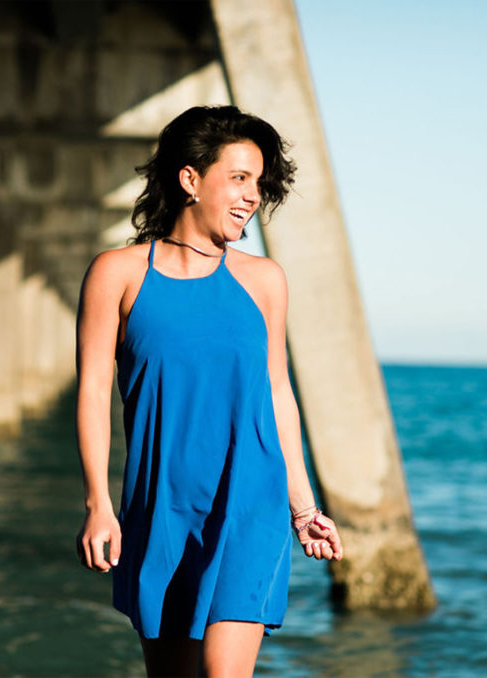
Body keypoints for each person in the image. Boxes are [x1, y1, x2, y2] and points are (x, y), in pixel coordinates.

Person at [72, 105, 345, 677]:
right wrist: (100, 503)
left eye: (259, 181)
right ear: (191, 179)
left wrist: (303, 507)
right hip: (160, 507)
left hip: (250, 505)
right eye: (239, 177)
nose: (253, 195)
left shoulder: (264, 280)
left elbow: (277, 393)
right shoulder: (117, 274)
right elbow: (94, 390)